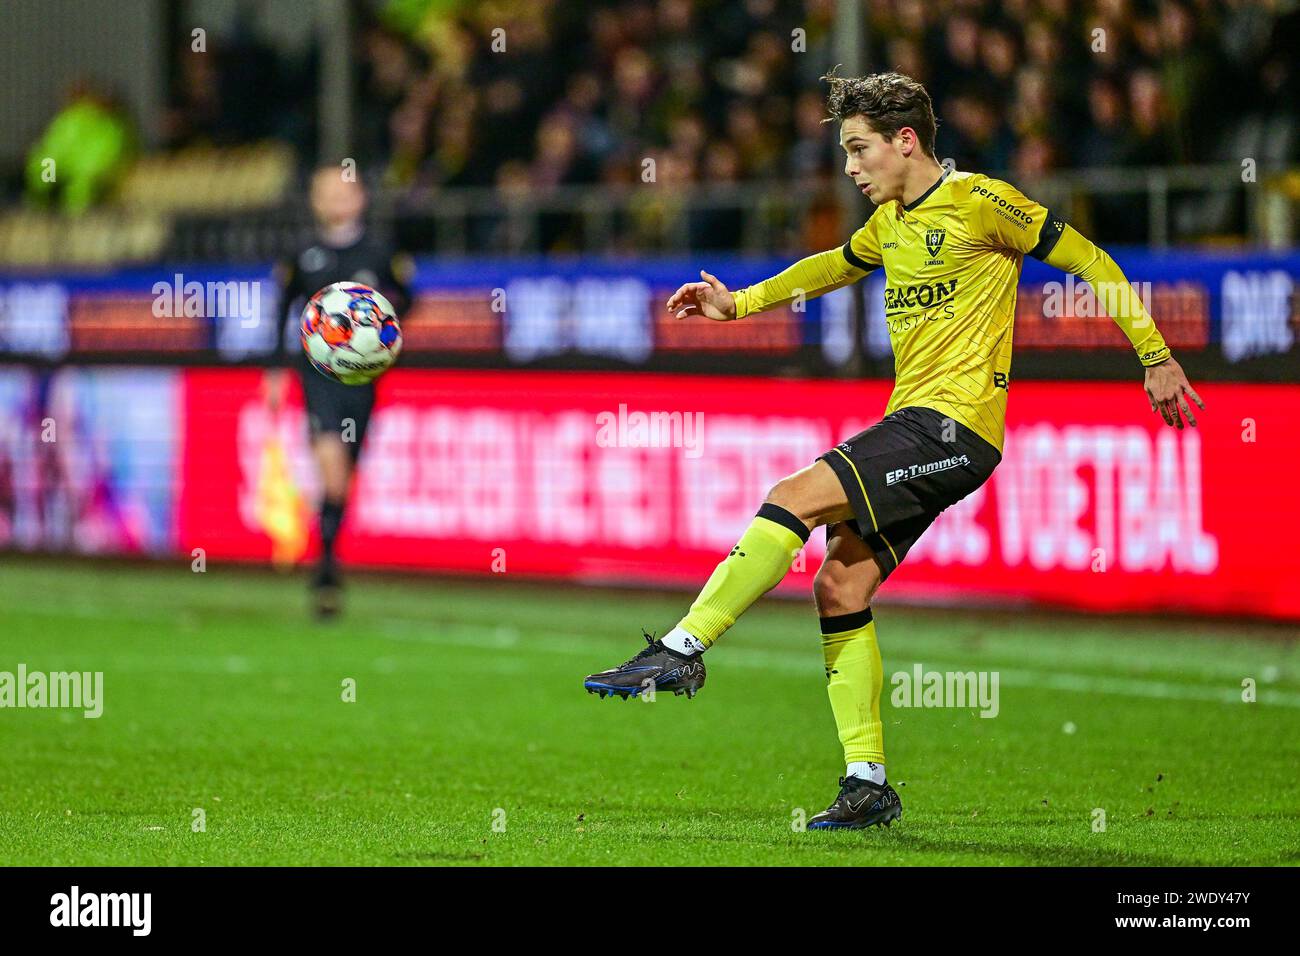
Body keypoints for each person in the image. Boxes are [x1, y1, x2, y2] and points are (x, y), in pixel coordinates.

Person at [582, 71, 1203, 830]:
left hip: (952, 427)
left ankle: (683, 647)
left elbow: (1091, 260)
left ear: (905, 141)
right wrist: (738, 304)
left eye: (859, 149)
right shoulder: (890, 224)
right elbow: (829, 266)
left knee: (792, 496)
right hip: (920, 424)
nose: (850, 167)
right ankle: (867, 782)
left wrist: (1154, 355)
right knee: (840, 587)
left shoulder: (982, 202)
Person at [266, 166, 412, 618]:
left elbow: (408, 298)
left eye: (343, 191)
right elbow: (281, 308)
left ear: (361, 197)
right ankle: (326, 568)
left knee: (344, 475)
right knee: (330, 467)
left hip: (363, 380)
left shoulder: (380, 252)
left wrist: (380, 326)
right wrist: (275, 370)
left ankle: (328, 557)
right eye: (326, 193)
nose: (335, 200)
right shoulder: (303, 254)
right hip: (317, 377)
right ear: (315, 201)